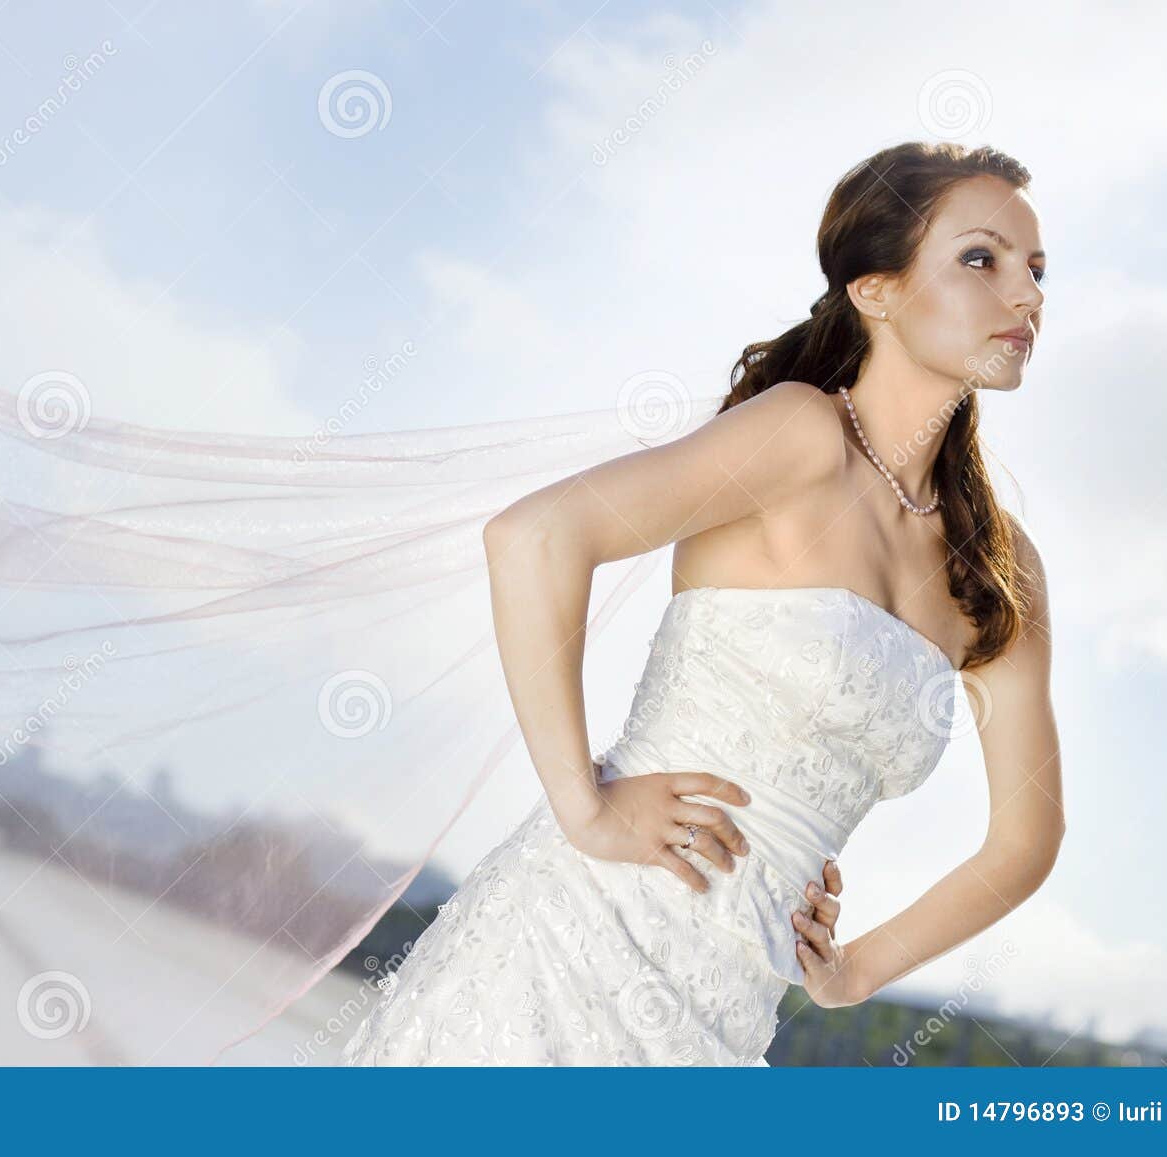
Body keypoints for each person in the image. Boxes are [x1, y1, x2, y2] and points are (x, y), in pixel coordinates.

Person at [340, 140, 1064, 1066]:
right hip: (570, 941)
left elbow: (1026, 837)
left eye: (1037, 270)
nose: (1028, 295)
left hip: (722, 1016)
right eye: (982, 259)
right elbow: (534, 539)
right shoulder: (803, 434)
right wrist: (585, 807)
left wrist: (854, 970)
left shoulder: (999, 567)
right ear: (875, 290)